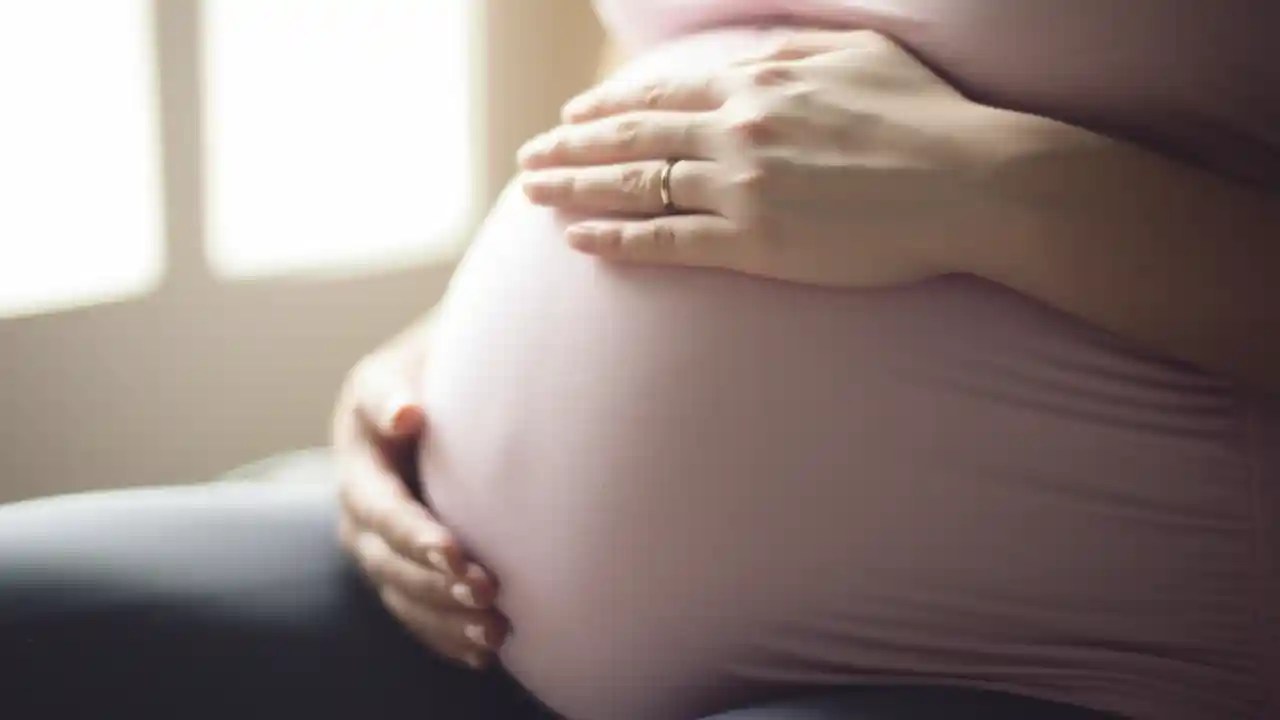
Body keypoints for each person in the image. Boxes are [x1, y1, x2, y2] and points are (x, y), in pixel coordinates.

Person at [2, 1, 1276, 719]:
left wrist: (995, 190)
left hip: (1031, 669)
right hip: (455, 597)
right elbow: (672, 81)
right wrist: (422, 367)